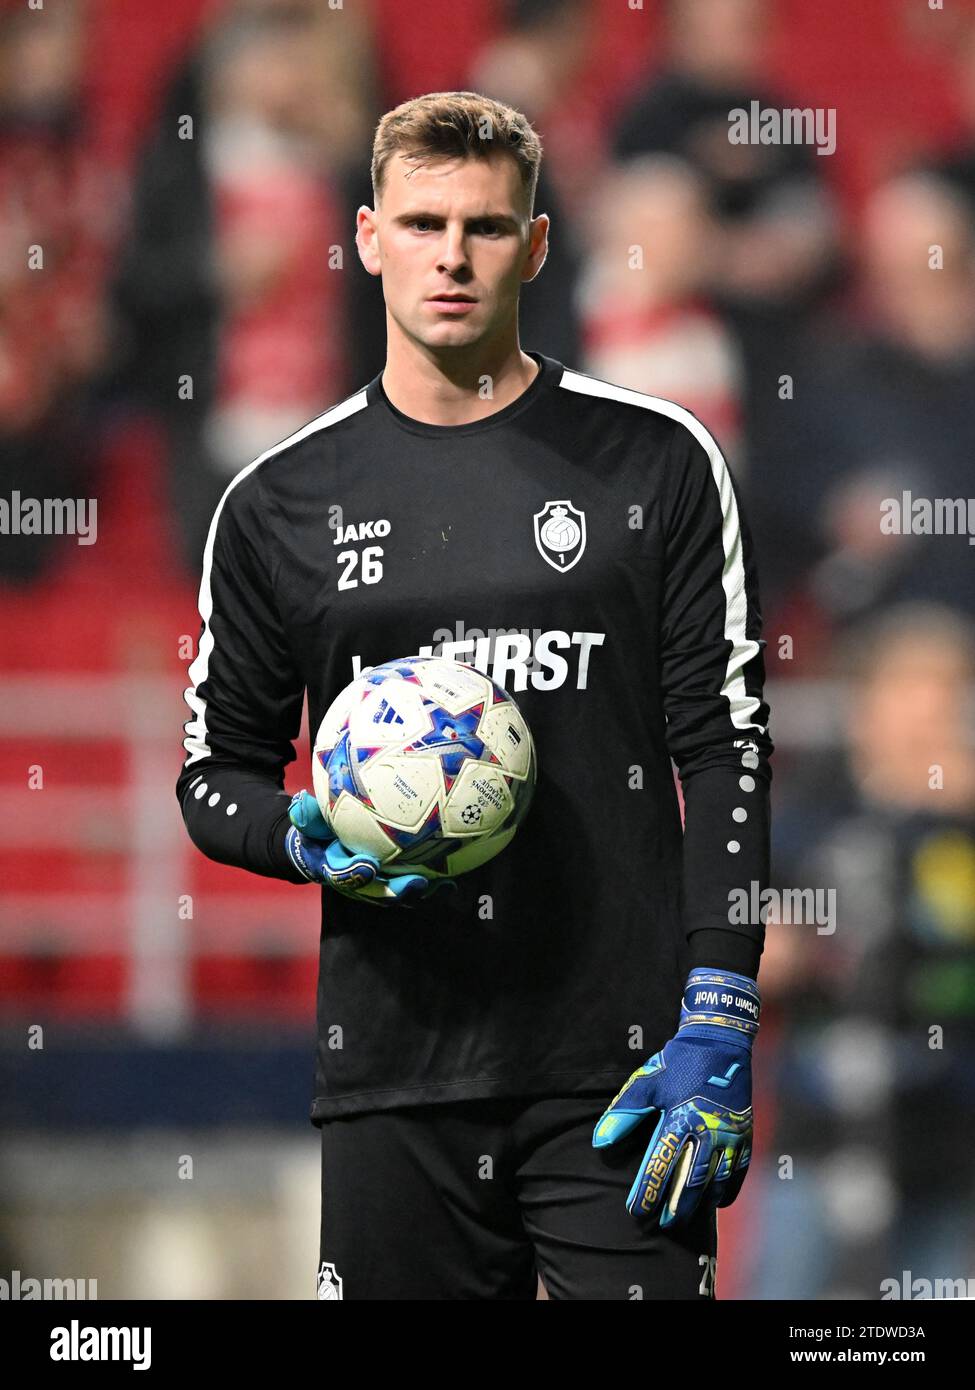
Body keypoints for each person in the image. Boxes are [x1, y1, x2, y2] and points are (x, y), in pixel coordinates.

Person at [176, 91, 773, 1300]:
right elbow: (210, 775)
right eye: (424, 222)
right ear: (367, 236)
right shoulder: (278, 503)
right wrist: (298, 840)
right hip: (397, 1073)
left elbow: (726, 748)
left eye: (488, 227)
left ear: (538, 245)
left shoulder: (655, 460)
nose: (452, 255)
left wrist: (720, 1006)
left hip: (623, 1065)